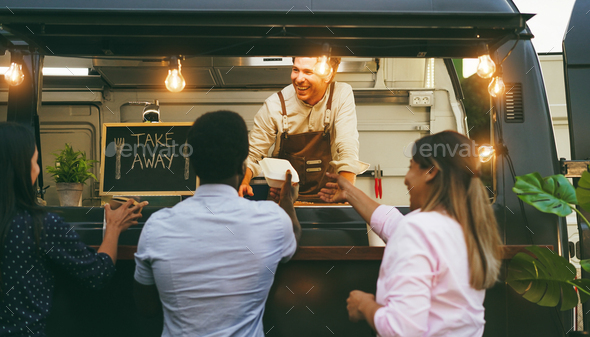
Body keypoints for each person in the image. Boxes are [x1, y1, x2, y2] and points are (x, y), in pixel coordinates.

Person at [133, 110, 301, 337]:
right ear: (243, 168)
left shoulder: (157, 226)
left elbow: (146, 308)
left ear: (192, 164)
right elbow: (294, 231)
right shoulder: (271, 220)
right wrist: (287, 199)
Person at [318, 130, 502, 337]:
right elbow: (393, 224)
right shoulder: (465, 228)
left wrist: (364, 305)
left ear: (431, 171)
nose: (406, 179)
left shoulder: (418, 228)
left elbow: (402, 330)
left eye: (411, 167)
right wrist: (349, 193)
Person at [0, 122, 147, 337]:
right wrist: (114, 228)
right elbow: (98, 273)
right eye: (35, 160)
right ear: (24, 168)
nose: (37, 168)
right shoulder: (42, 225)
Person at [239, 57, 369, 201]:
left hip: (330, 198)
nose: (299, 79)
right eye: (296, 70)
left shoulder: (340, 95)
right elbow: (254, 154)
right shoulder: (275, 105)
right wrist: (244, 182)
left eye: (308, 72)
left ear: (328, 75)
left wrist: (345, 190)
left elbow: (347, 145)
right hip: (284, 199)